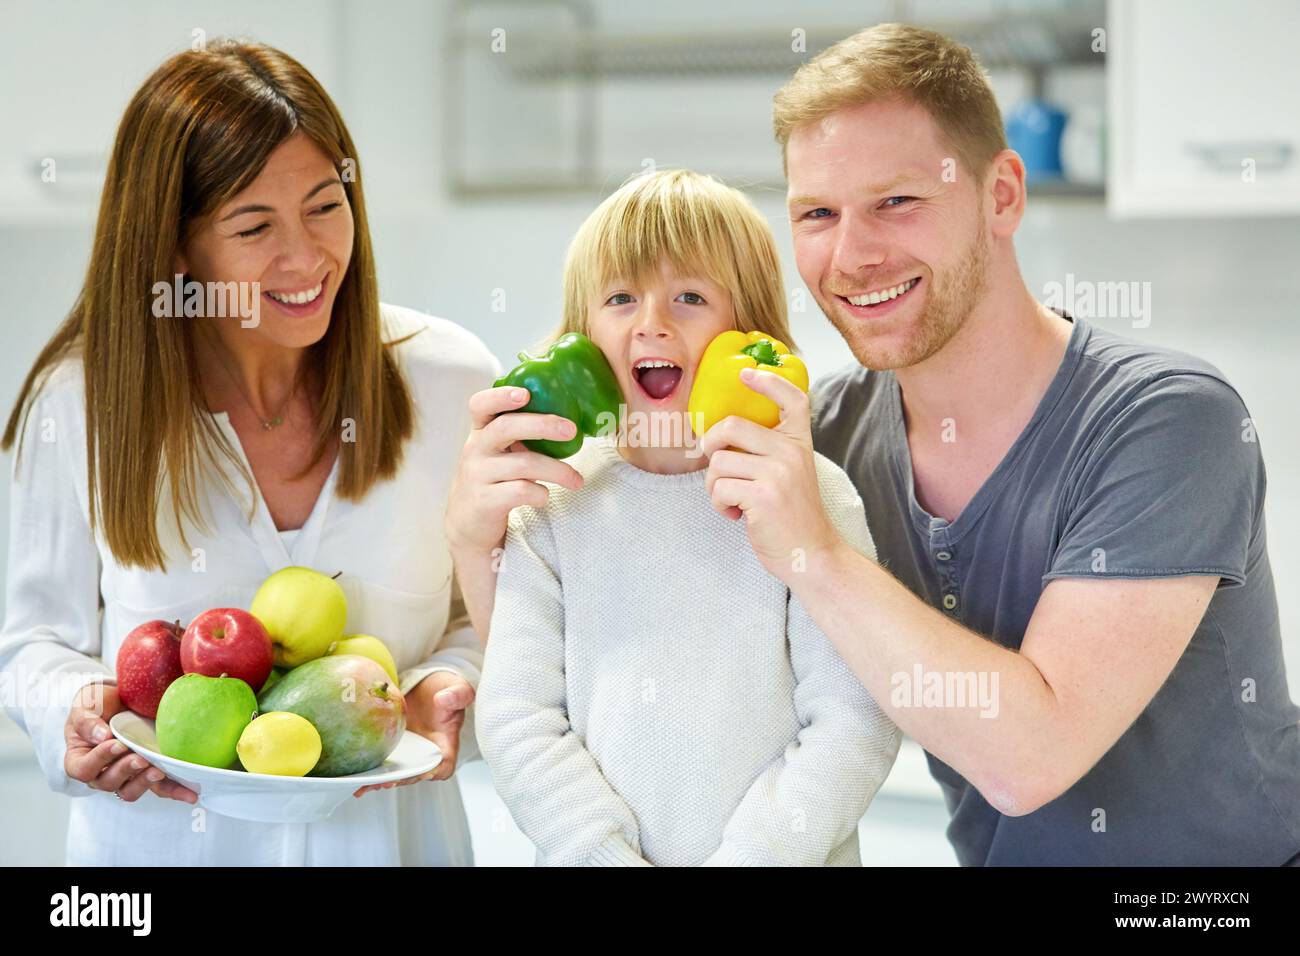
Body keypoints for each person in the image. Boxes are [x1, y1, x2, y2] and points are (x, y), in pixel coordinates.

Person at [449, 24, 1300, 866]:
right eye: (819, 213)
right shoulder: (827, 430)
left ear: (1001, 194)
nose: (853, 254)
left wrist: (813, 548)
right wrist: (480, 544)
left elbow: (1026, 759)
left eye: (897, 201)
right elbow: (578, 665)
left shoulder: (1169, 421)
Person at [0, 40, 497, 865]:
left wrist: (444, 687)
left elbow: (496, 619)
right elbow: (32, 642)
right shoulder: (82, 404)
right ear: (174, 249)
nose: (304, 258)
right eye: (253, 225)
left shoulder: (449, 382)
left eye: (324, 206)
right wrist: (73, 709)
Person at [474, 170, 900, 866]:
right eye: (619, 297)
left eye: (690, 297)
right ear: (581, 339)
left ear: (749, 337)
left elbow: (855, 721)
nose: (651, 322)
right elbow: (518, 721)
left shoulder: (811, 495)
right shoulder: (552, 505)